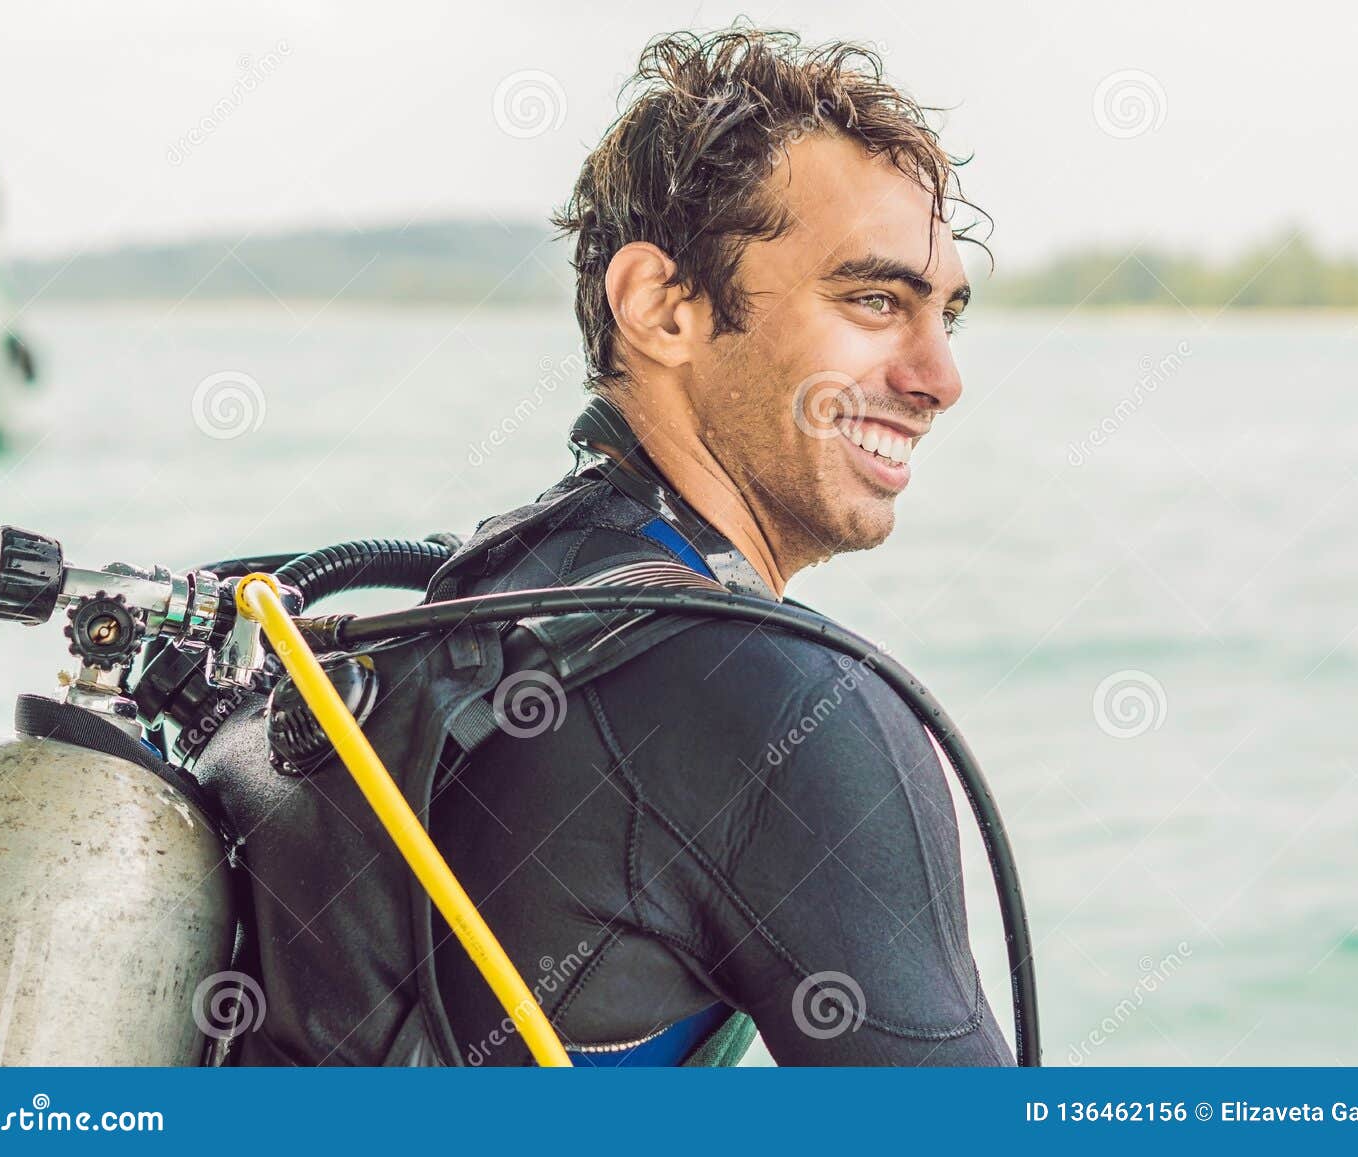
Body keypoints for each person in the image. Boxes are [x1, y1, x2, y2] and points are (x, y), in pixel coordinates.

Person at [422, 27, 1012, 1066]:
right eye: (874, 299)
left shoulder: (482, 603)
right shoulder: (778, 703)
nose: (938, 377)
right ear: (663, 307)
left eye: (945, 315)